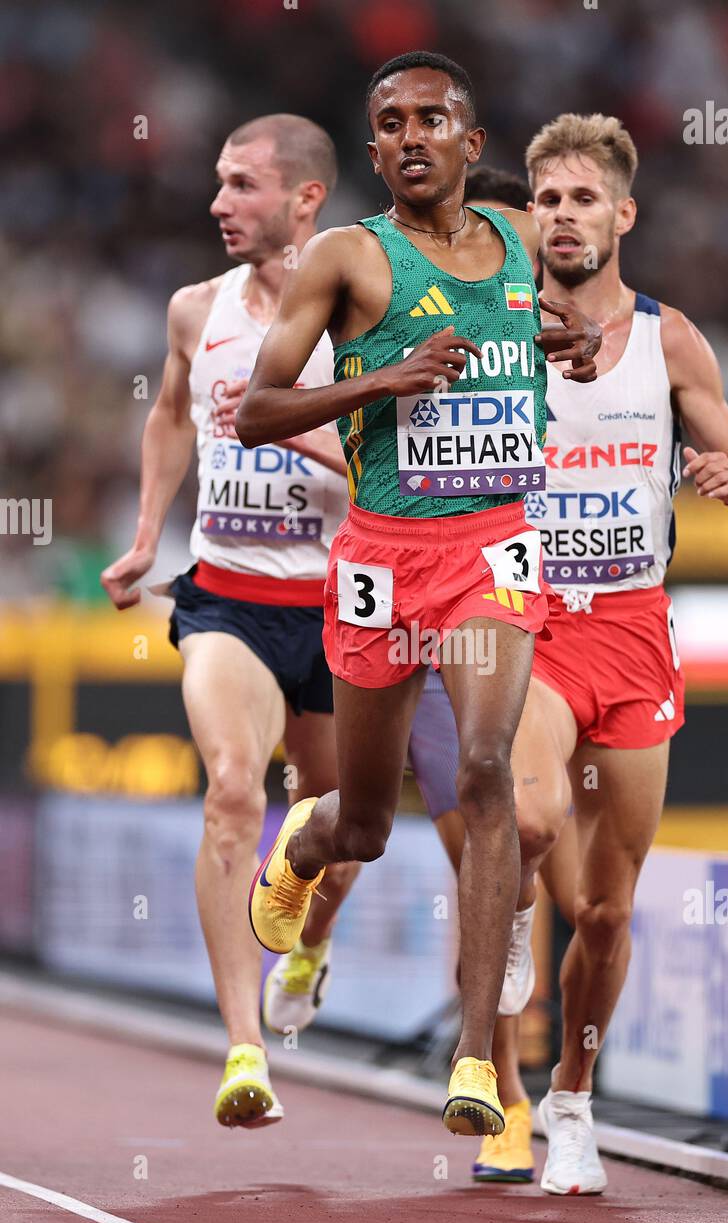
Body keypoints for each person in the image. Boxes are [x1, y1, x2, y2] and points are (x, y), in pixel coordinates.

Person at [236, 53, 599, 1137]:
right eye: (387, 123)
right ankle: (305, 845)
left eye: (428, 119)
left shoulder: (524, 244)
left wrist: (568, 343)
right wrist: (383, 379)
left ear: (470, 144)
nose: (407, 137)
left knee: (487, 772)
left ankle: (476, 1054)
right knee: (366, 822)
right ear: (373, 149)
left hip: (492, 547)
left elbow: (555, 331)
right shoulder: (348, 257)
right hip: (378, 556)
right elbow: (257, 410)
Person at [479, 112, 728, 1193]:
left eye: (580, 199)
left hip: (636, 629)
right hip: (532, 616)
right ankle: (507, 925)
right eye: (546, 199)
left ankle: (573, 1099)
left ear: (622, 214)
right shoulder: (499, 332)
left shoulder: (671, 339)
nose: (562, 216)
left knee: (606, 911)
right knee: (527, 814)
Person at [101, 114, 359, 1128]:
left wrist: (301, 430)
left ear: (304, 200)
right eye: (217, 182)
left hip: (343, 605)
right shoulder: (193, 311)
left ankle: (308, 941)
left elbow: (394, 455)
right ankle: (244, 1046)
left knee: (345, 824)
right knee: (233, 792)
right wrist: (145, 531)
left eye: (243, 185)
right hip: (229, 596)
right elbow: (171, 413)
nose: (218, 203)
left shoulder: (362, 321)